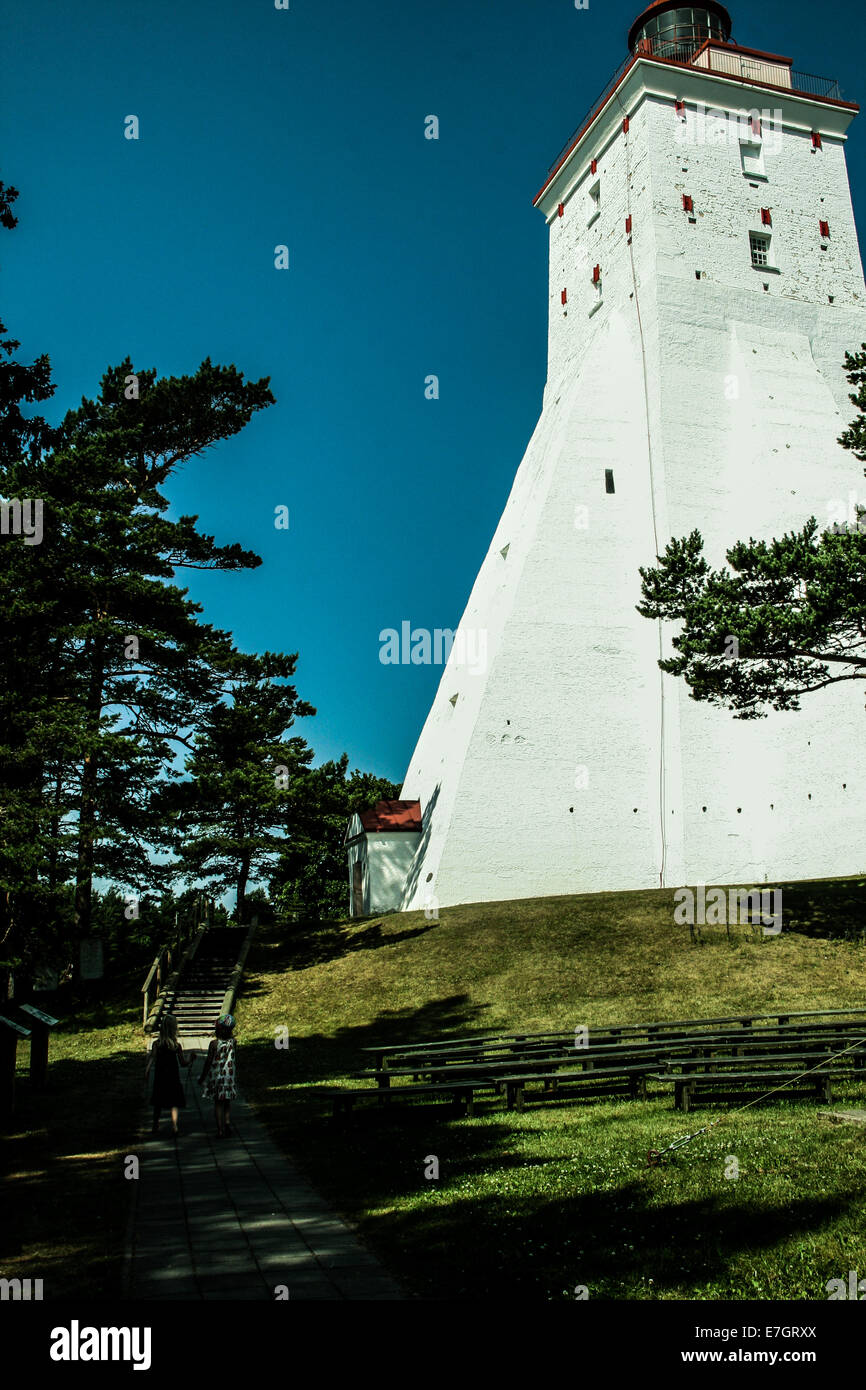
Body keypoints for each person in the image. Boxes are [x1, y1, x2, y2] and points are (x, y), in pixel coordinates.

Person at [144, 1014, 192, 1135]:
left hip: (160, 1077)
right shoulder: (176, 1046)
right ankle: (175, 1126)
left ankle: (155, 1124)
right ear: (174, 1029)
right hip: (173, 1077)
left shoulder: (157, 1044)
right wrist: (191, 1059)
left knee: (158, 1101)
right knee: (174, 1102)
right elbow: (183, 1063)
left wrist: (147, 1071)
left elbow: (152, 1059)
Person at [199, 1014, 238, 1137]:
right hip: (229, 1077)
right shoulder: (233, 1042)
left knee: (218, 1104)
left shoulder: (214, 1044)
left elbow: (208, 1061)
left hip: (217, 1078)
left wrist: (202, 1077)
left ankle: (220, 1130)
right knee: (227, 1102)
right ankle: (227, 1122)